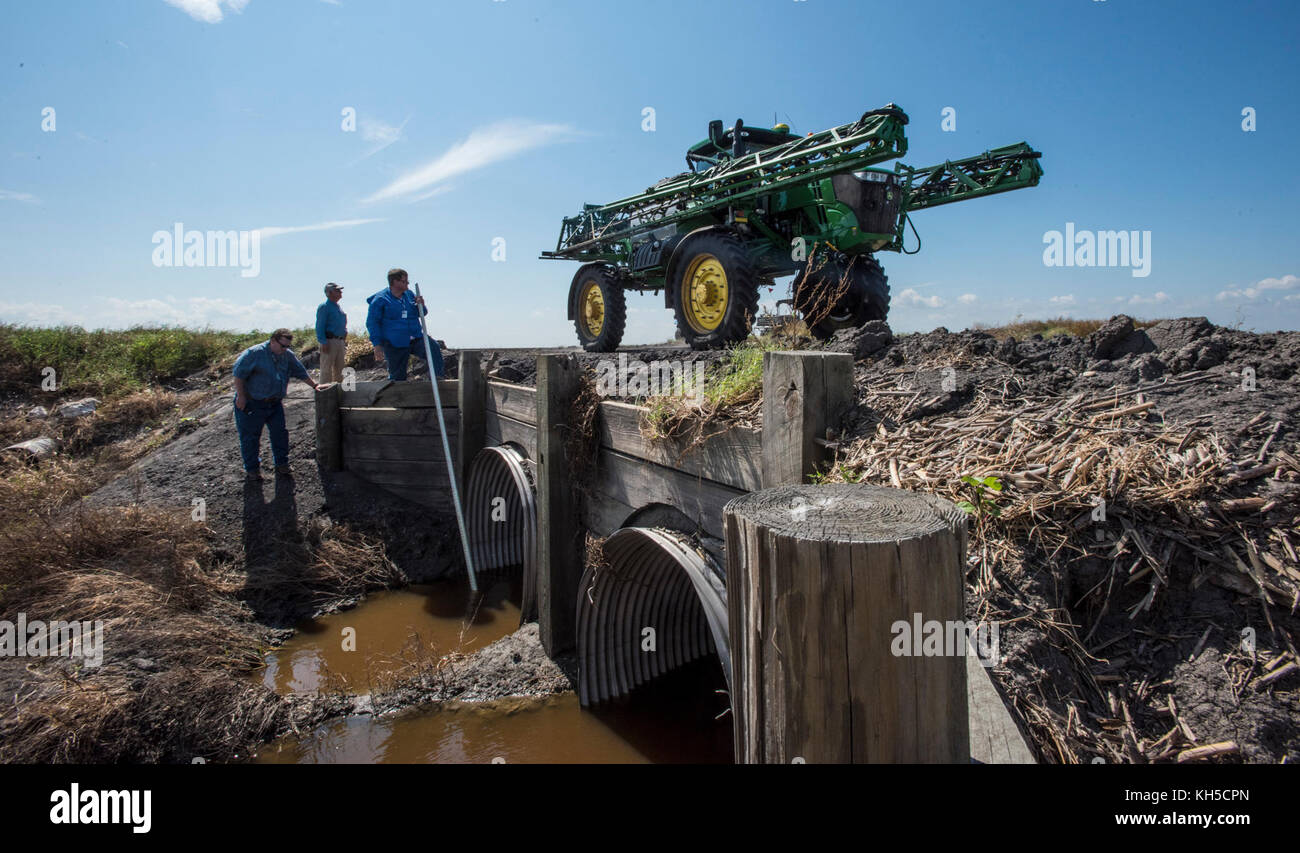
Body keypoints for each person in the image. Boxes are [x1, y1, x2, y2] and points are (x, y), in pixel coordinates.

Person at [232, 329, 322, 481]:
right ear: (273, 341)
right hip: (252, 403)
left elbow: (300, 371)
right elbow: (238, 375)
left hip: (274, 404)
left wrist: (314, 386)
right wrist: (241, 397)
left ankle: (282, 464)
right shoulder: (254, 353)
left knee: (280, 434)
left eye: (288, 346)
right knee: (250, 438)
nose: (285, 349)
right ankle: (252, 469)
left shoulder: (287, 355)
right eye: (283, 346)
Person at [365, 267, 446, 381]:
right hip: (394, 342)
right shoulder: (380, 300)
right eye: (404, 281)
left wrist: (421, 305)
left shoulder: (409, 294)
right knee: (398, 377)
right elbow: (372, 323)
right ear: (395, 282)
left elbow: (422, 313)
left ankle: (437, 377)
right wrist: (377, 345)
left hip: (415, 337)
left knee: (433, 348)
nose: (407, 283)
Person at [316, 282, 348, 384]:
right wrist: (323, 341)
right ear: (329, 293)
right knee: (326, 369)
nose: (340, 292)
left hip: (340, 341)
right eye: (337, 290)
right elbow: (320, 326)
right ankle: (325, 394)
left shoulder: (338, 307)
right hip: (329, 341)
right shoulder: (324, 306)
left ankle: (338, 393)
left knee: (340, 369)